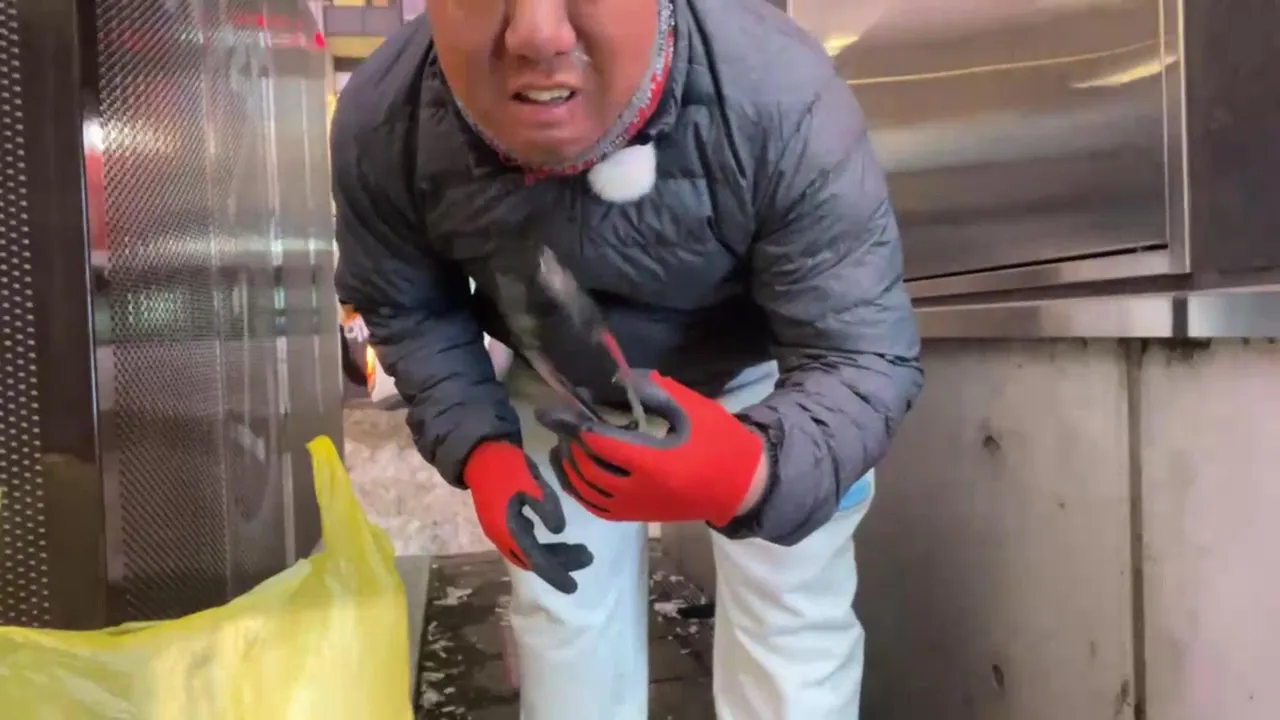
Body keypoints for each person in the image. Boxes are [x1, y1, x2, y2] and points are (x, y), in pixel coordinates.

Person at [331, 0, 923, 718]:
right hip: (559, 378)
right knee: (563, 609)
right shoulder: (387, 119)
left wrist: (752, 471)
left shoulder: (781, 93)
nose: (537, 34)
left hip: (763, 377)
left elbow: (856, 353)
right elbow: (408, 306)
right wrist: (480, 445)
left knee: (792, 608)